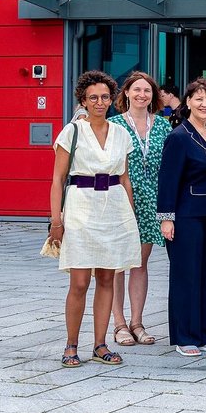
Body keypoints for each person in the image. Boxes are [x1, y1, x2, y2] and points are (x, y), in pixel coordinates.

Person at [50, 70, 140, 368]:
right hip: (81, 206)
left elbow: (124, 178)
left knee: (106, 279)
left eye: (104, 97)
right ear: (83, 100)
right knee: (79, 282)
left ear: (112, 99)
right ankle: (71, 344)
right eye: (93, 98)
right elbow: (57, 179)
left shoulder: (121, 133)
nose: (99, 102)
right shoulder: (71, 132)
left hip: (114, 207)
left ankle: (100, 345)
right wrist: (56, 221)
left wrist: (130, 217)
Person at [157, 77, 206, 357]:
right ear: (187, 102)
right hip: (187, 215)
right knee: (187, 275)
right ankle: (185, 336)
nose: (204, 104)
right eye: (199, 98)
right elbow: (168, 180)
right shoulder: (179, 136)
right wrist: (166, 218)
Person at [107, 71, 167, 347]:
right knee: (118, 264)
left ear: (153, 96)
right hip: (121, 200)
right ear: (127, 93)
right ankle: (119, 323)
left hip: (152, 201)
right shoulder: (114, 125)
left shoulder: (163, 126)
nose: (142, 95)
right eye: (137, 90)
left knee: (140, 263)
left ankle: (137, 322)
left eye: (147, 91)